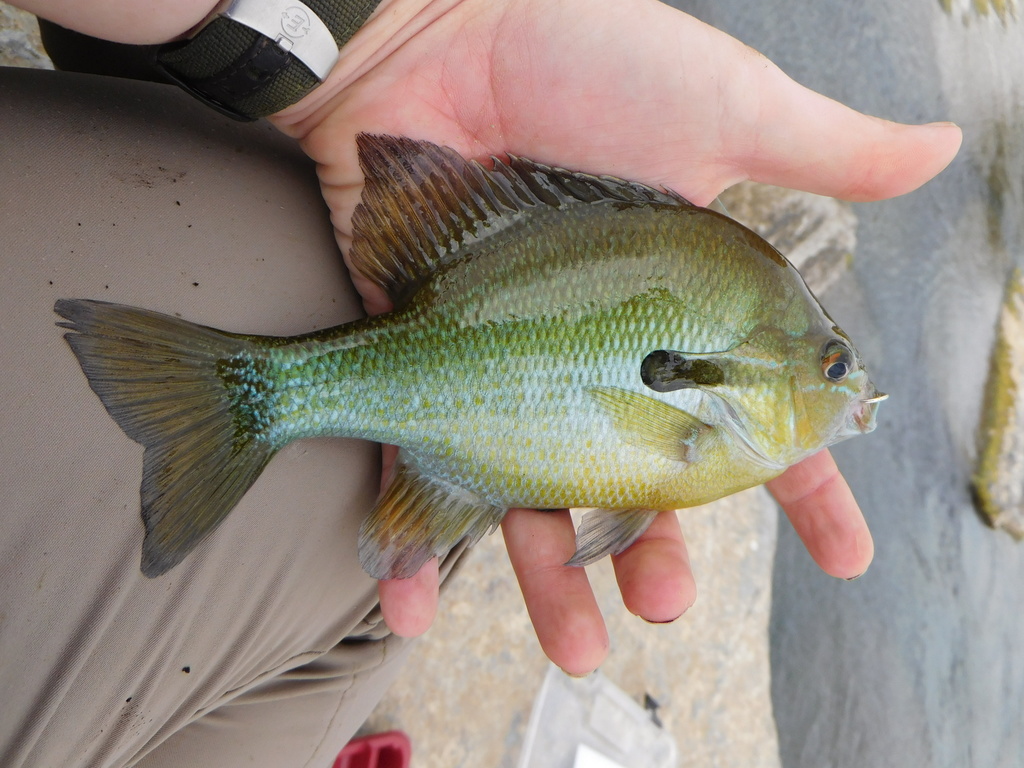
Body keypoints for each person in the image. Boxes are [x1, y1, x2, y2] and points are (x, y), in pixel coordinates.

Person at [0, 0, 961, 766]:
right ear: (751, 364)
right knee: (374, 617)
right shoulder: (718, 419)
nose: (845, 385)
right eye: (832, 364)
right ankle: (256, 408)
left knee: (387, 598)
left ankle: (257, 409)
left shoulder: (726, 386)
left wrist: (378, 25)